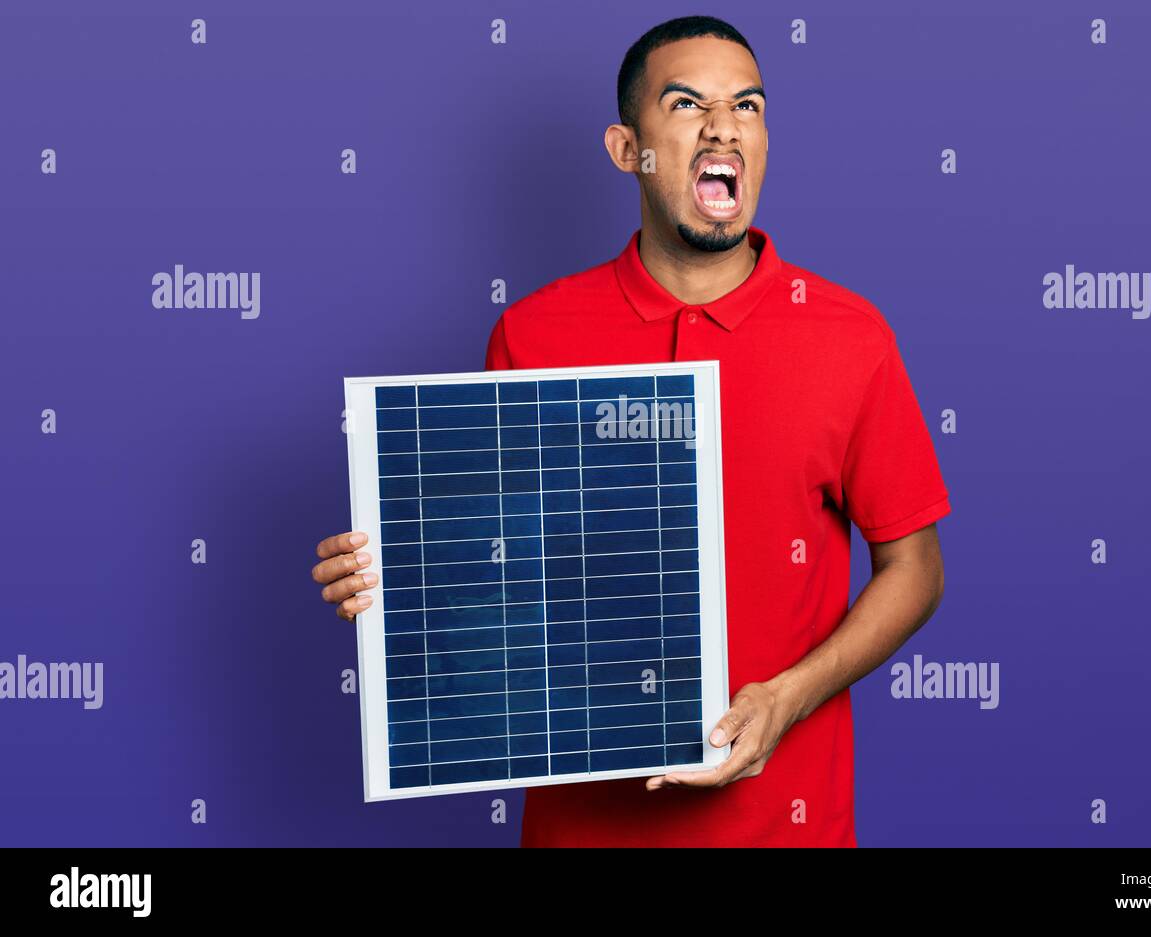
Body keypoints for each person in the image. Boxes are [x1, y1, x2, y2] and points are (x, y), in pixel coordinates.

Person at [312, 15, 950, 847]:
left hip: (787, 827)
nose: (723, 127)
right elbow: (502, 574)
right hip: (582, 828)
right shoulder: (532, 335)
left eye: (747, 106)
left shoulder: (850, 337)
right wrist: (400, 588)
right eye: (687, 103)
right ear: (626, 149)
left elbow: (915, 567)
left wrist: (787, 698)